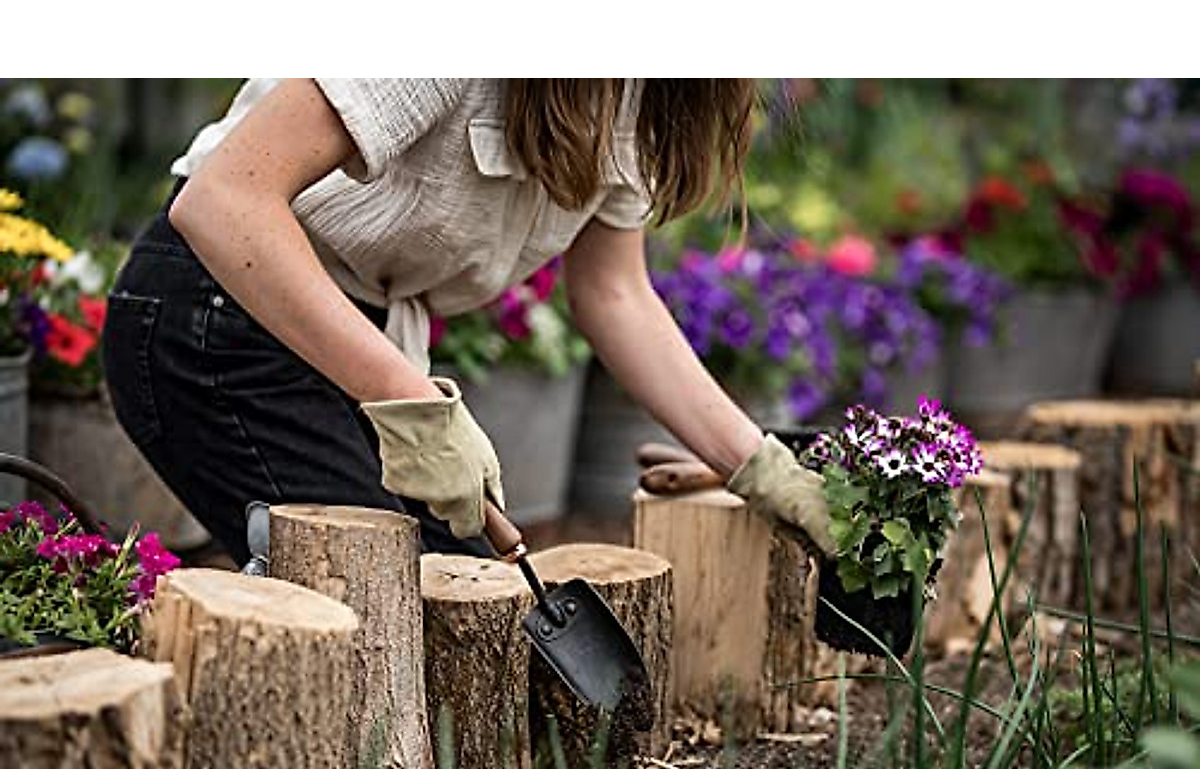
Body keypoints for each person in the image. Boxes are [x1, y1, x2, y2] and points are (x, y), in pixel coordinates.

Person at [101, 78, 836, 567]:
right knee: (392, 622)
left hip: (354, 341)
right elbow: (223, 202)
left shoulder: (647, 87)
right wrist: (411, 402)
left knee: (479, 618)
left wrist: (765, 469)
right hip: (217, 323)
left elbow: (616, 295)